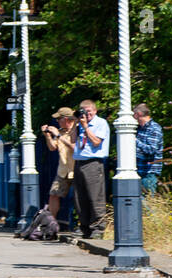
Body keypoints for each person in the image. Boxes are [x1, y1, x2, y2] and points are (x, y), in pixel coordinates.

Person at [27, 107, 76, 236]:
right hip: (62, 170)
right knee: (53, 194)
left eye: (59, 119)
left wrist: (59, 136)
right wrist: (48, 135)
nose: (57, 121)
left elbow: (74, 147)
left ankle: (77, 224)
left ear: (66, 119)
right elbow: (52, 147)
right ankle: (50, 224)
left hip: (75, 169)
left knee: (77, 198)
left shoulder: (76, 131)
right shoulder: (60, 131)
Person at [71, 99, 110, 239]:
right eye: (83, 111)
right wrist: (76, 124)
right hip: (79, 162)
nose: (86, 114)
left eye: (89, 112)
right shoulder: (79, 124)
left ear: (95, 111)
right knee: (79, 197)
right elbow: (72, 140)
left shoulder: (100, 123)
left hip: (93, 162)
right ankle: (84, 227)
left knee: (95, 196)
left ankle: (98, 228)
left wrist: (86, 127)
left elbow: (96, 142)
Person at [133, 103, 165, 194]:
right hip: (139, 171)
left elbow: (151, 150)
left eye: (133, 115)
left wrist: (135, 141)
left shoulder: (154, 128)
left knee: (147, 204)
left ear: (138, 114)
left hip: (149, 173)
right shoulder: (139, 128)